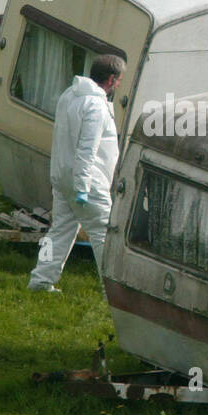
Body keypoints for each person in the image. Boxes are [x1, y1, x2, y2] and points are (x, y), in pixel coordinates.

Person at [28, 54, 125, 293]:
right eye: (120, 80)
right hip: (87, 182)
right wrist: (82, 188)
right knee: (103, 234)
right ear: (111, 79)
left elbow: (62, 139)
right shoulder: (96, 107)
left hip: (62, 177)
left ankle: (39, 281)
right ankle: (112, 291)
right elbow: (86, 149)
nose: (120, 84)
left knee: (59, 231)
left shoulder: (69, 95)